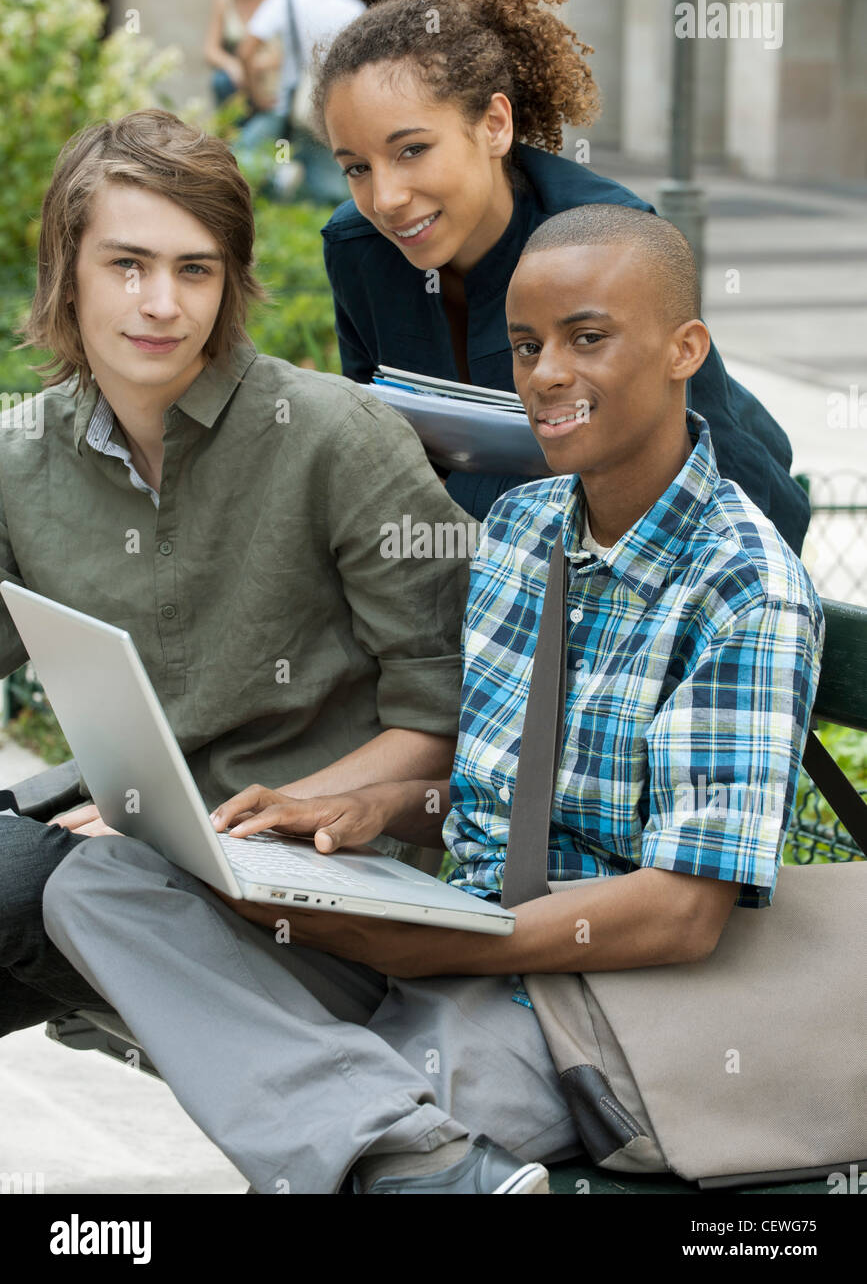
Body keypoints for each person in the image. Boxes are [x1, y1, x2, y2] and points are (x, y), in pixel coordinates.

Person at [42, 205, 823, 1195]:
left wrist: (453, 942)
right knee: (102, 884)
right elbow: (502, 792)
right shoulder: (524, 527)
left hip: (590, 1000)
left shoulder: (743, 587)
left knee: (345, 1135)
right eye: (527, 346)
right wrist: (361, 811)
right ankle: (389, 1139)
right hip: (454, 938)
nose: (544, 376)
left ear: (684, 350)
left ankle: (376, 1133)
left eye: (588, 339)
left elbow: (685, 912)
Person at [0, 108, 473, 1039]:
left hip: (324, 880)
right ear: (67, 272)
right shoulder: (21, 456)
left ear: (228, 284)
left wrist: (216, 826)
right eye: (126, 265)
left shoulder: (338, 439)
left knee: (17, 884)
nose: (160, 303)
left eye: (194, 269)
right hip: (125, 853)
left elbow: (448, 725)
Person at [315, 0, 811, 551]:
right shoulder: (356, 248)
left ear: (495, 125)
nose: (386, 198)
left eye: (413, 149)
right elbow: (380, 450)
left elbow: (721, 474)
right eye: (356, 168)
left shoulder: (605, 244)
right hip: (485, 572)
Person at [236, 0, 364, 202]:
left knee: (242, 157)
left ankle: (281, 188)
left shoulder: (285, 0)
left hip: (288, 105)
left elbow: (246, 50)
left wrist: (257, 97)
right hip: (331, 111)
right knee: (330, 184)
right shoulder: (353, 7)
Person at [203, 0, 281, 111]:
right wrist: (233, 65)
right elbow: (210, 49)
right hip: (239, 80)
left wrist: (263, 62)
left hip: (269, 78)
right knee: (221, 81)